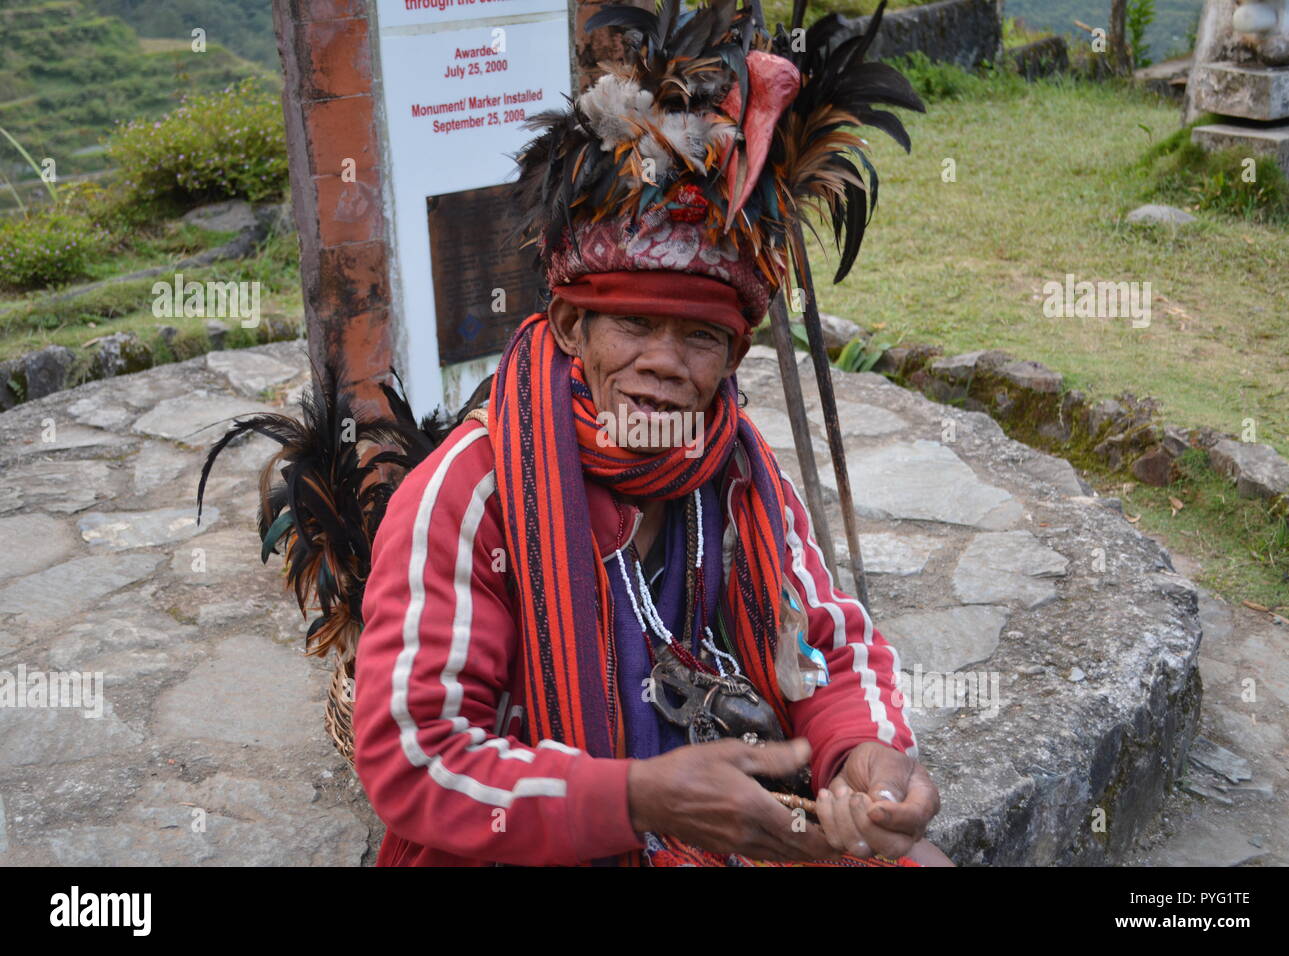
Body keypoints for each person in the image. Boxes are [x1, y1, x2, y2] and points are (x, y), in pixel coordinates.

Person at [349, 2, 952, 866]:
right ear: (567, 328)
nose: (664, 364)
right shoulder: (466, 495)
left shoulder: (739, 470)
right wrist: (632, 798)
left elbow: (822, 644)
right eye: (631, 325)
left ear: (734, 353)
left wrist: (869, 759)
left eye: (699, 337)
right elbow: (414, 758)